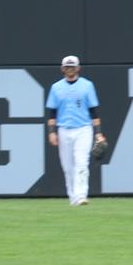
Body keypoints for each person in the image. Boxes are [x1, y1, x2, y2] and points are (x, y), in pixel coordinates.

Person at [46, 55, 106, 207]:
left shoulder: (87, 86)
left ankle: (81, 196)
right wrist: (52, 132)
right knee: (67, 166)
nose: (69, 69)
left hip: (83, 129)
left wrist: (98, 133)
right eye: (67, 67)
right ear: (62, 69)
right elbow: (52, 113)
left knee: (81, 162)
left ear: (78, 68)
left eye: (72, 67)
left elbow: (94, 111)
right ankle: (73, 197)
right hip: (63, 129)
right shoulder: (56, 87)